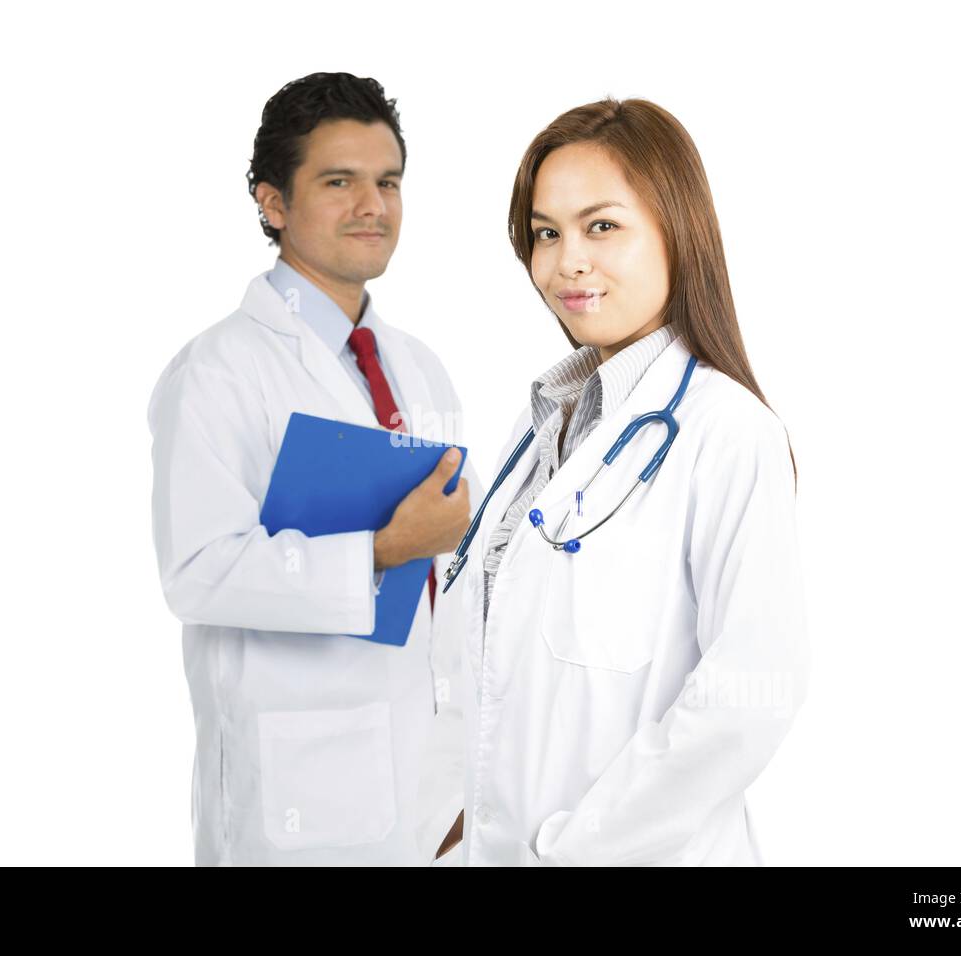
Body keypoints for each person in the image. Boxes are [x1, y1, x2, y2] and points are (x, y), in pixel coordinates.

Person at [449, 98, 810, 866]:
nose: (567, 260)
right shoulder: (544, 425)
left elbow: (752, 694)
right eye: (546, 233)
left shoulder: (727, 432)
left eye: (601, 226)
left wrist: (574, 850)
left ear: (677, 229)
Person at [147, 73, 475, 865]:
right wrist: (380, 549)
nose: (374, 205)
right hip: (300, 795)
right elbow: (196, 572)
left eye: (388, 181)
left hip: (436, 787)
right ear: (273, 204)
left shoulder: (418, 368)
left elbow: (448, 578)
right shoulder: (218, 371)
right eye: (340, 182)